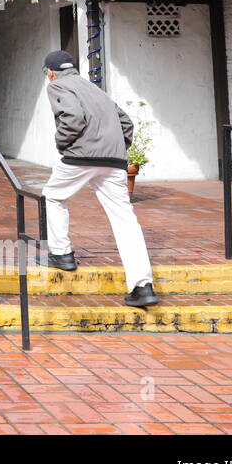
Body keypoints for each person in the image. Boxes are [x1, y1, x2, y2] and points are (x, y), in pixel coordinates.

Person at [40, 50, 158, 308]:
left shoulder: (57, 85)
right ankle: (142, 287)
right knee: (125, 219)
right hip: (114, 161)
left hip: (79, 157)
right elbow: (125, 122)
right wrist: (116, 148)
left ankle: (62, 254)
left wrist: (62, 145)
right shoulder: (92, 88)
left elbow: (72, 119)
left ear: (50, 73)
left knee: (53, 195)